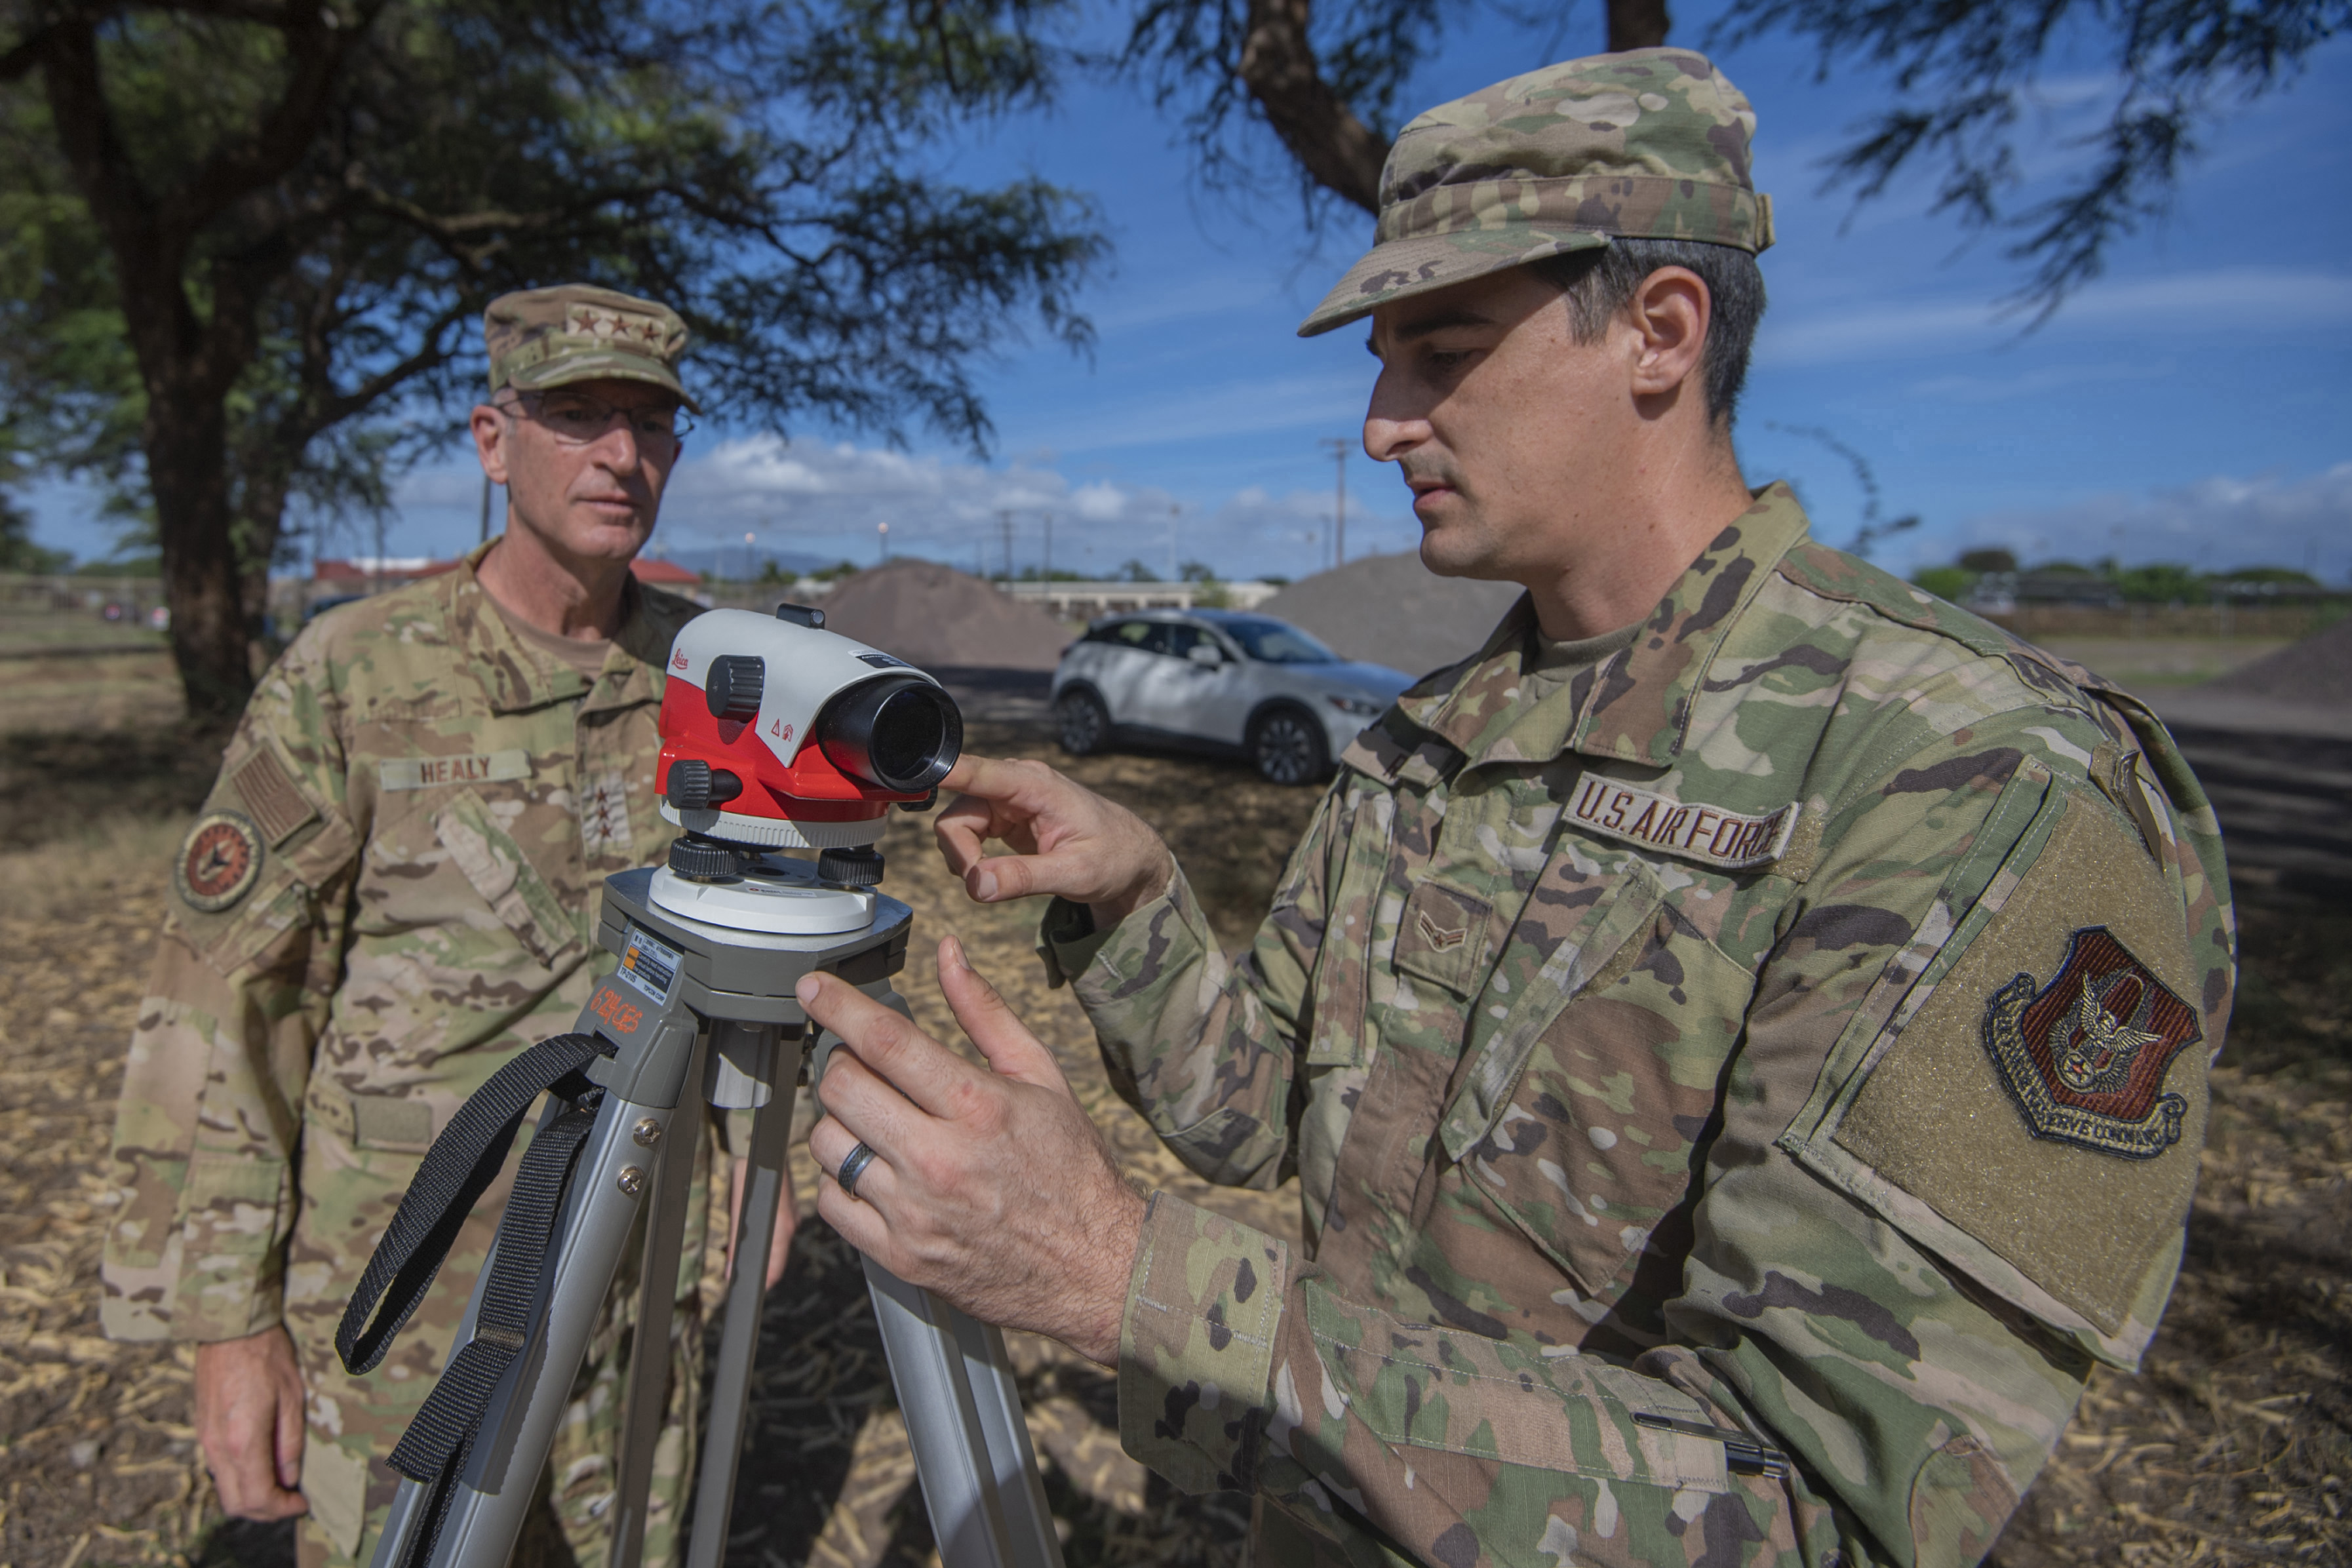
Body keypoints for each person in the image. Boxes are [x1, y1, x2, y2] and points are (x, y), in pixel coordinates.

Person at [788, 49, 2235, 1568]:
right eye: (1380, 362)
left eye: (1441, 351)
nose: (1380, 425)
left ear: (1660, 334)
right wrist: (1136, 895)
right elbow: (1252, 1119)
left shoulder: (1973, 780)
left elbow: (1822, 1510)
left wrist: (1117, 1274)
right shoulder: (1436, 736)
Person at [100, 284, 794, 1568]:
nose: (622, 455)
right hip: (406, 1291)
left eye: (651, 424)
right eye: (578, 415)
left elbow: (747, 942)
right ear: (493, 439)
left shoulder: (712, 678)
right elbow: (222, 989)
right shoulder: (353, 672)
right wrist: (225, 1318)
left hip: (637, 1281)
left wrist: (765, 1150)